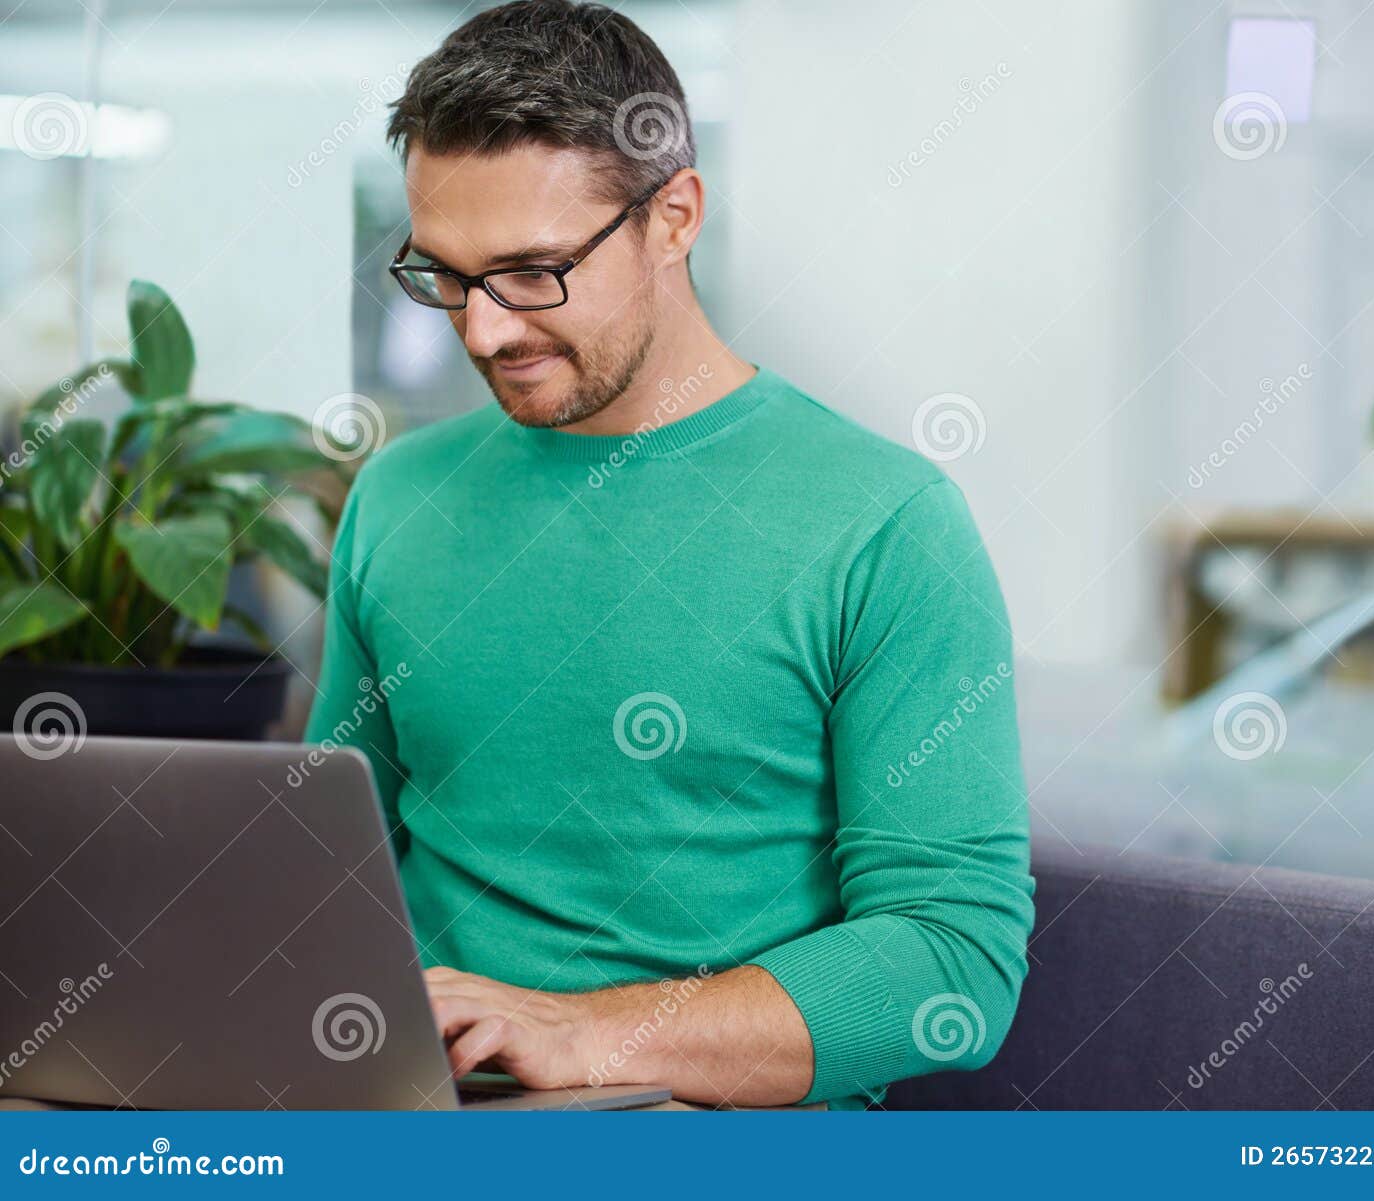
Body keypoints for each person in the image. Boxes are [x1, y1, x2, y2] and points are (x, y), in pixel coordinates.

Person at [306, 0, 1033, 1110]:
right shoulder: (400, 495)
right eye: (445, 274)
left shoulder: (887, 524)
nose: (484, 330)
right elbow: (325, 862)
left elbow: (952, 964)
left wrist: (587, 1033)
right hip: (410, 1113)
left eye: (533, 271)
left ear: (674, 217)